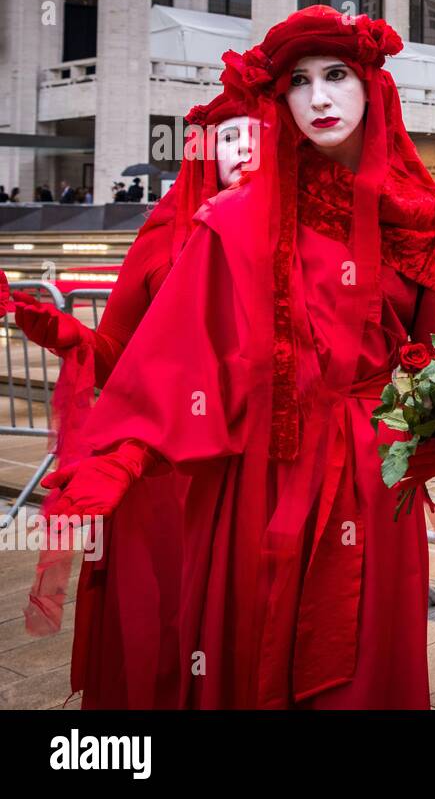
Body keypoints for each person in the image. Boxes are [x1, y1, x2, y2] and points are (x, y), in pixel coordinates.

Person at [34, 6, 435, 708]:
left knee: (364, 670)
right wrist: (111, 462)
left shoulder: (429, 219)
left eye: (337, 75)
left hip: (373, 475)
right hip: (260, 476)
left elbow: (432, 357)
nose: (319, 97)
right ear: (279, 99)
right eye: (298, 81)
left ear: (373, 86)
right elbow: (172, 355)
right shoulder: (238, 216)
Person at [21, 91, 253, 708]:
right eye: (231, 137)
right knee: (168, 623)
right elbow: (122, 349)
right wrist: (66, 333)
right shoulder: (162, 235)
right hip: (166, 467)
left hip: (257, 462)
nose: (245, 150)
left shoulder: (302, 234)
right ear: (204, 149)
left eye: (258, 135)